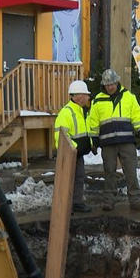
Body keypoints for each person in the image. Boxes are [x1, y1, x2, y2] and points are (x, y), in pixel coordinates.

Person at [88, 68, 140, 211]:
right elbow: (93, 123)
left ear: (117, 82)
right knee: (109, 172)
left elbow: (137, 116)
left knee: (131, 171)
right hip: (108, 143)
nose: (110, 87)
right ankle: (109, 200)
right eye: (107, 85)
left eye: (112, 84)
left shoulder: (129, 97)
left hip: (126, 141)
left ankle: (135, 199)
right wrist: (94, 141)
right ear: (104, 85)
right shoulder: (97, 100)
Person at [54, 80, 94, 213]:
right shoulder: (66, 113)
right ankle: (66, 206)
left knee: (78, 178)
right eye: (86, 95)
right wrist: (74, 148)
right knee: (68, 181)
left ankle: (76, 203)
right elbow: (60, 137)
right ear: (78, 96)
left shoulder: (80, 111)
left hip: (78, 154)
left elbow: (86, 130)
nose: (88, 97)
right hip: (70, 154)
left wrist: (90, 145)